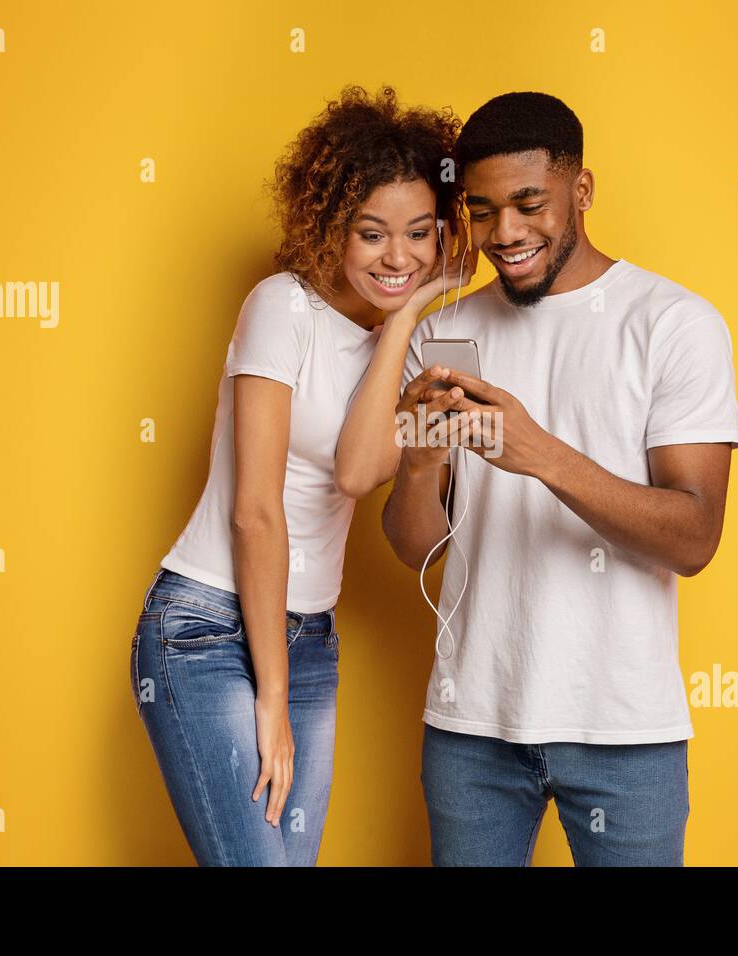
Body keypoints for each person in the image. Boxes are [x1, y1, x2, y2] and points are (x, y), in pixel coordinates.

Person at [353, 91, 738, 865]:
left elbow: (694, 538)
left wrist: (539, 454)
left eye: (530, 205)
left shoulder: (673, 323)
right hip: (472, 732)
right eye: (484, 210)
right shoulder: (448, 331)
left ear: (583, 191)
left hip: (624, 731)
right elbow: (416, 547)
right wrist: (423, 464)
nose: (507, 234)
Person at [128, 84, 472, 866]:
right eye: (372, 233)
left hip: (312, 637)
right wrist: (271, 698)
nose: (398, 257)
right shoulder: (280, 307)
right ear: (331, 227)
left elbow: (356, 472)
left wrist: (404, 324)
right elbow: (256, 511)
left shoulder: (413, 342)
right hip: (206, 629)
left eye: (420, 235)